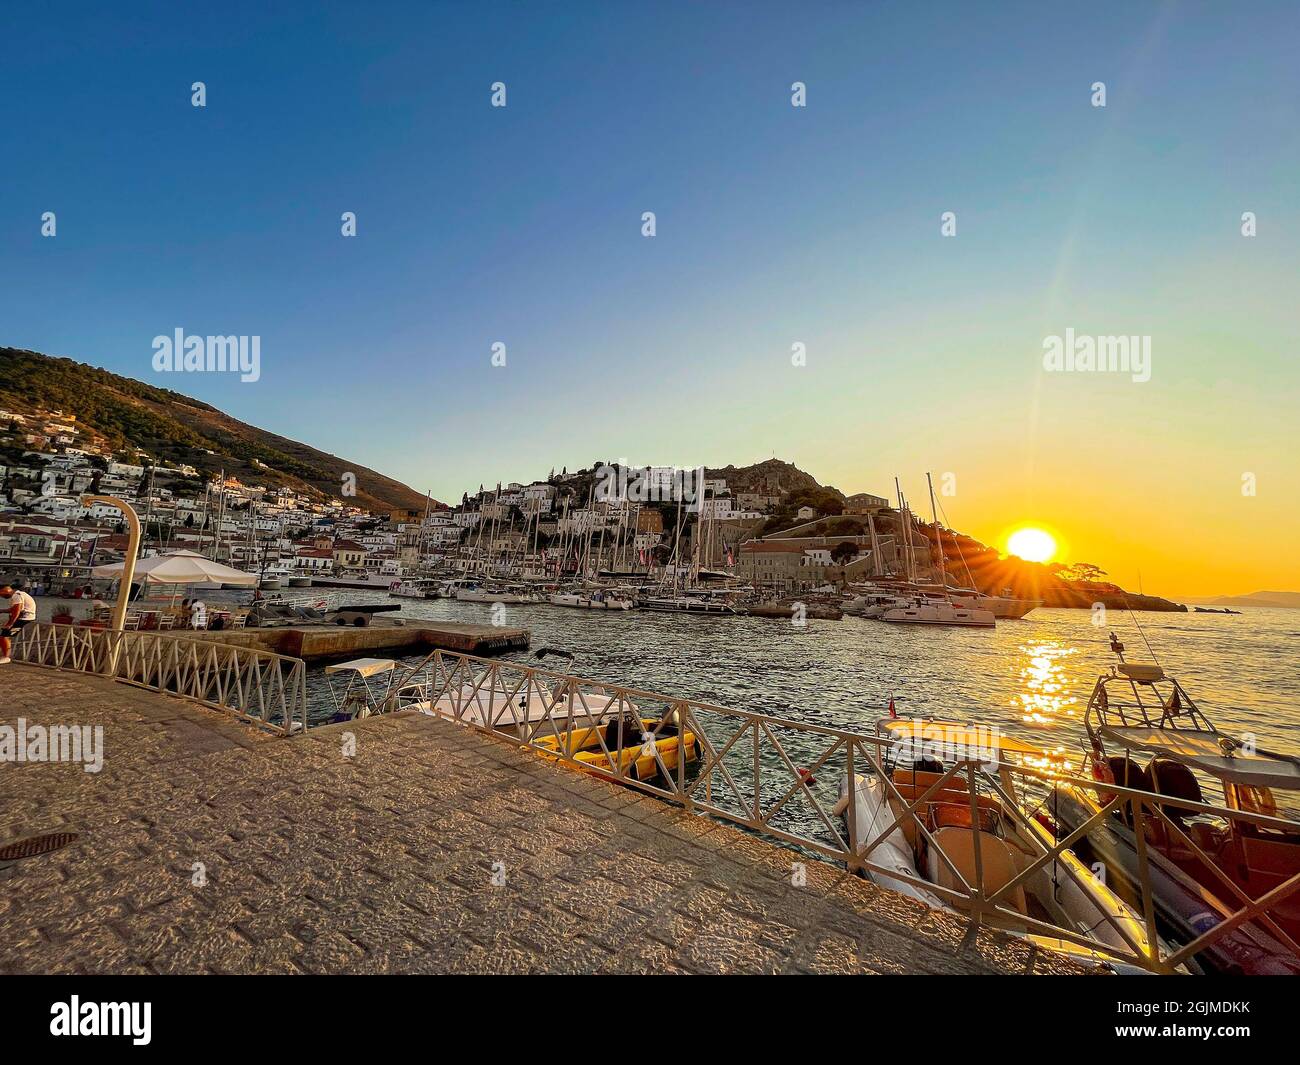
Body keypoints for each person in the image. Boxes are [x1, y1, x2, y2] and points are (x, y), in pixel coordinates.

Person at [0, 582, 38, 665]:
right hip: (24, 617)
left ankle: (6, 657)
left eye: (1, 594)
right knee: (4, 636)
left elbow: (17, 611)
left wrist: (10, 624)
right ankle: (5, 656)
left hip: (24, 618)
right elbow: (13, 609)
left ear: (5, 590)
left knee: (4, 636)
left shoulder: (17, 595)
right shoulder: (18, 594)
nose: (2, 596)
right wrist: (2, 611)